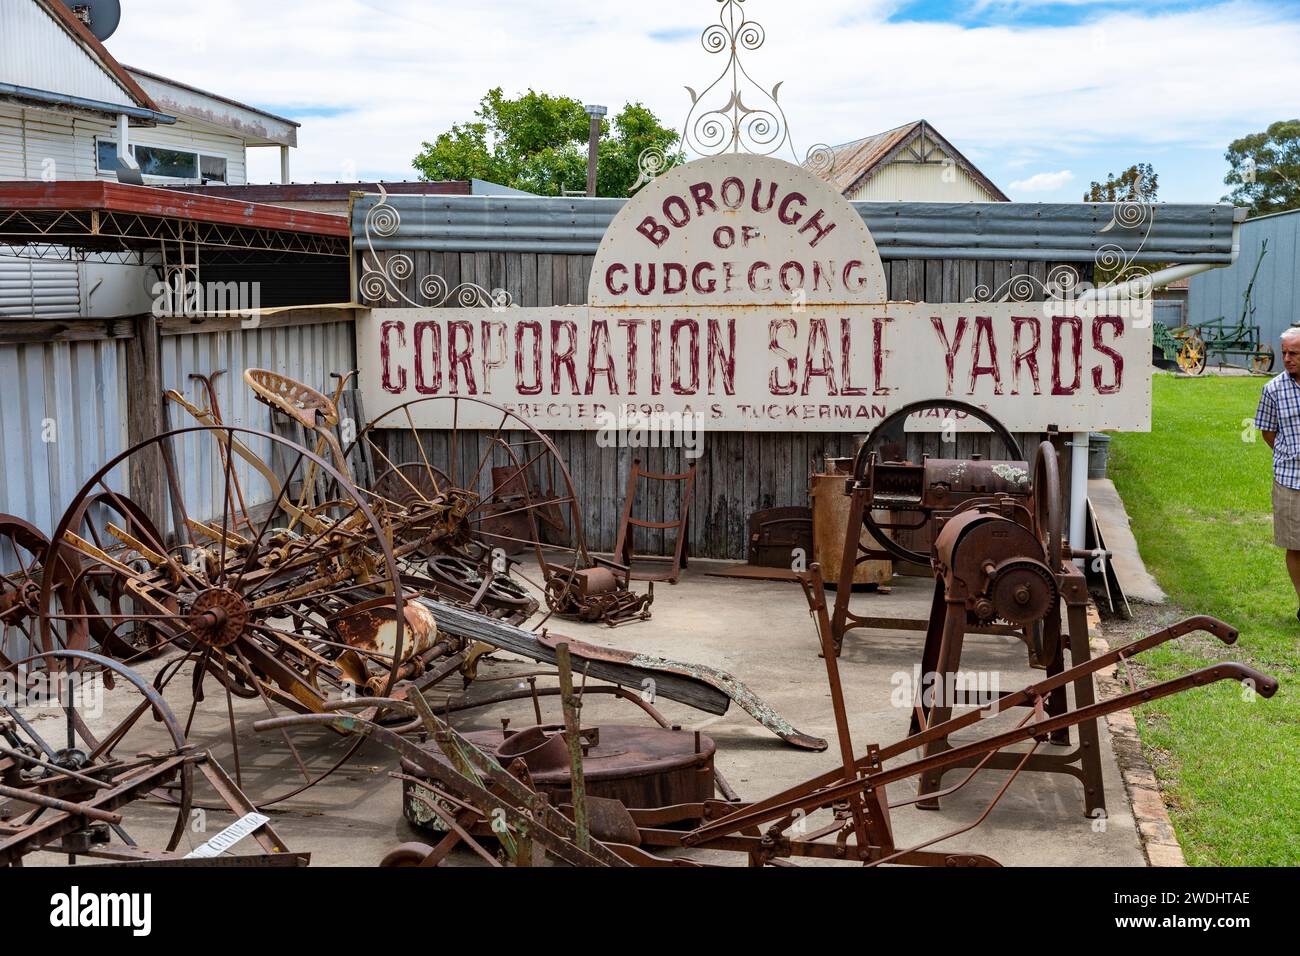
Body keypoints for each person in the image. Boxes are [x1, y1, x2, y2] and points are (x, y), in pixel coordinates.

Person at [1255, 327, 1300, 621]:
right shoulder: (1273, 389)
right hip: (1289, 478)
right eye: (1284, 353)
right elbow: (1267, 432)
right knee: (1295, 545)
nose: (1286, 358)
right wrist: (1288, 453)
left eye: (1293, 353)